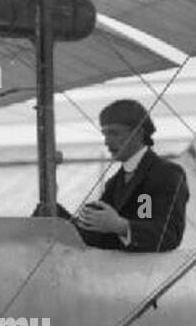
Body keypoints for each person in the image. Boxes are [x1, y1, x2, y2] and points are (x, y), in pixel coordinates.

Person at [65, 99, 187, 252]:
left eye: (114, 133)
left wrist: (120, 226)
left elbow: (169, 235)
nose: (107, 141)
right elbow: (99, 238)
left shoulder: (166, 173)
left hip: (153, 272)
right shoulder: (114, 183)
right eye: (105, 134)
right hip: (120, 272)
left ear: (139, 133)